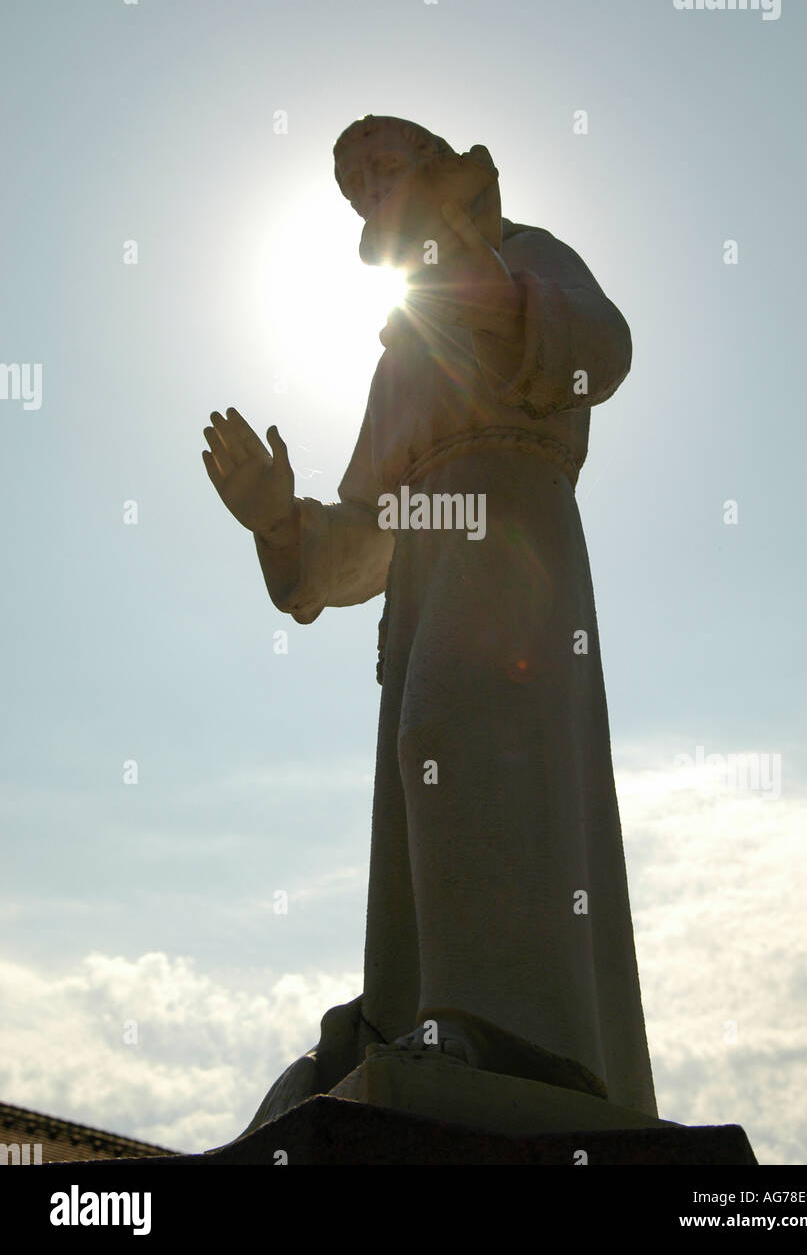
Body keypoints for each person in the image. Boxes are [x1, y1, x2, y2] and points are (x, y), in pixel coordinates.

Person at [202, 115, 658, 1123]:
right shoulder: (401, 349)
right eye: (350, 181)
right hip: (426, 569)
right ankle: (433, 1006)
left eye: (381, 163)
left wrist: (479, 276)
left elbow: (602, 352)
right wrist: (280, 521)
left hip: (511, 530)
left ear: (434, 163)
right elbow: (367, 533)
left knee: (456, 728)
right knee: (422, 781)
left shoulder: (525, 257)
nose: (365, 186)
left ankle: (507, 1023)